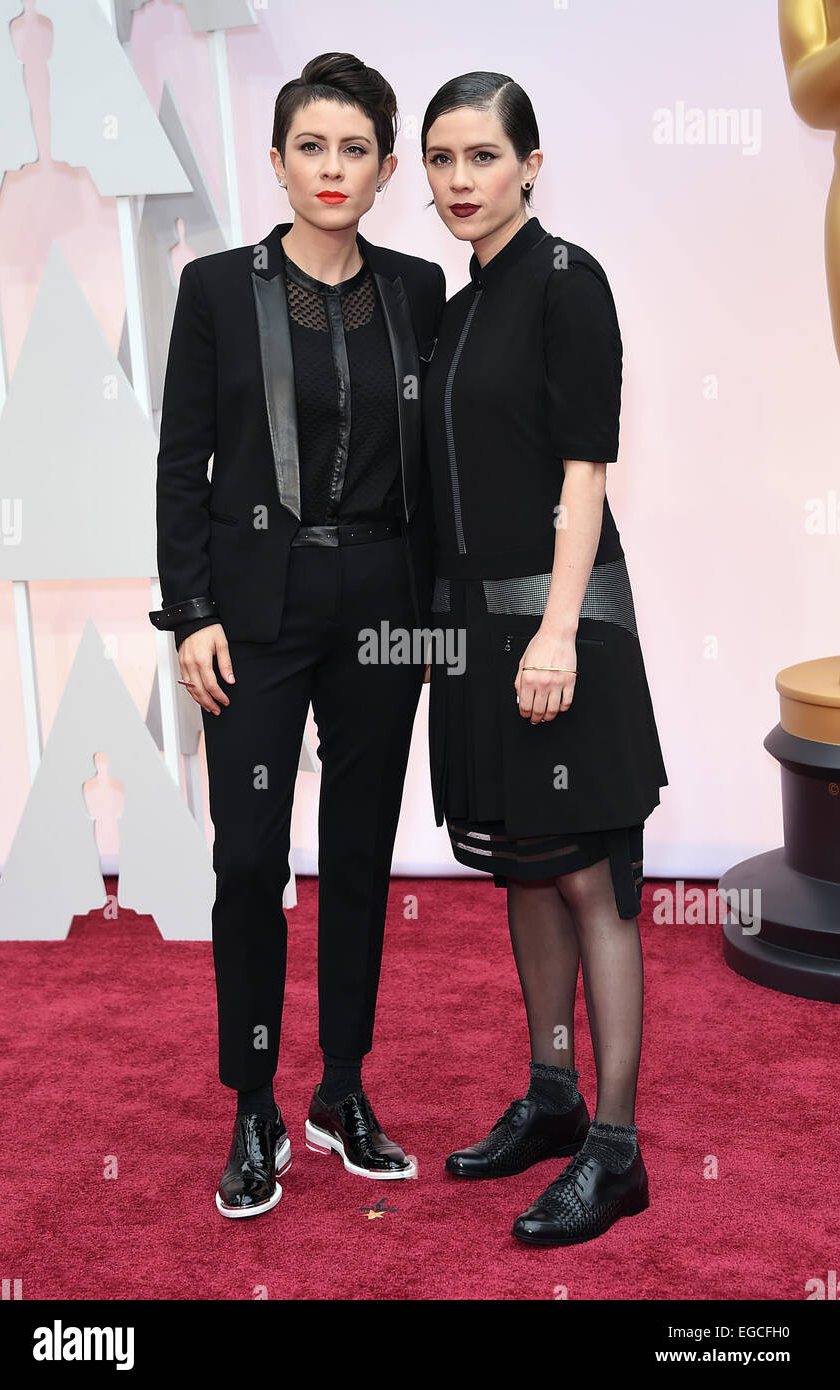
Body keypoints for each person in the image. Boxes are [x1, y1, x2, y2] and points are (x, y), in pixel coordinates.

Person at [150, 52, 445, 1218]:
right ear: (275, 162)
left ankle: (343, 1091)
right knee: (246, 863)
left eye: (355, 148)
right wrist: (191, 612)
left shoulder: (421, 290)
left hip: (386, 602)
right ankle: (252, 1103)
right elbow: (184, 463)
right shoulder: (217, 288)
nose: (332, 169)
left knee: (361, 858)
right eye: (309, 147)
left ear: (384, 167)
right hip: (255, 612)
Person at [420, 72, 668, 1246]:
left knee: (588, 879)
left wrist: (557, 630)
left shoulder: (569, 284)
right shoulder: (457, 304)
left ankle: (615, 1151)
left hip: (562, 627)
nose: (458, 182)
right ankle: (555, 1097)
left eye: (480, 157)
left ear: (529, 163)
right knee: (524, 867)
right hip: (478, 635)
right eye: (440, 160)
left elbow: (583, 475)